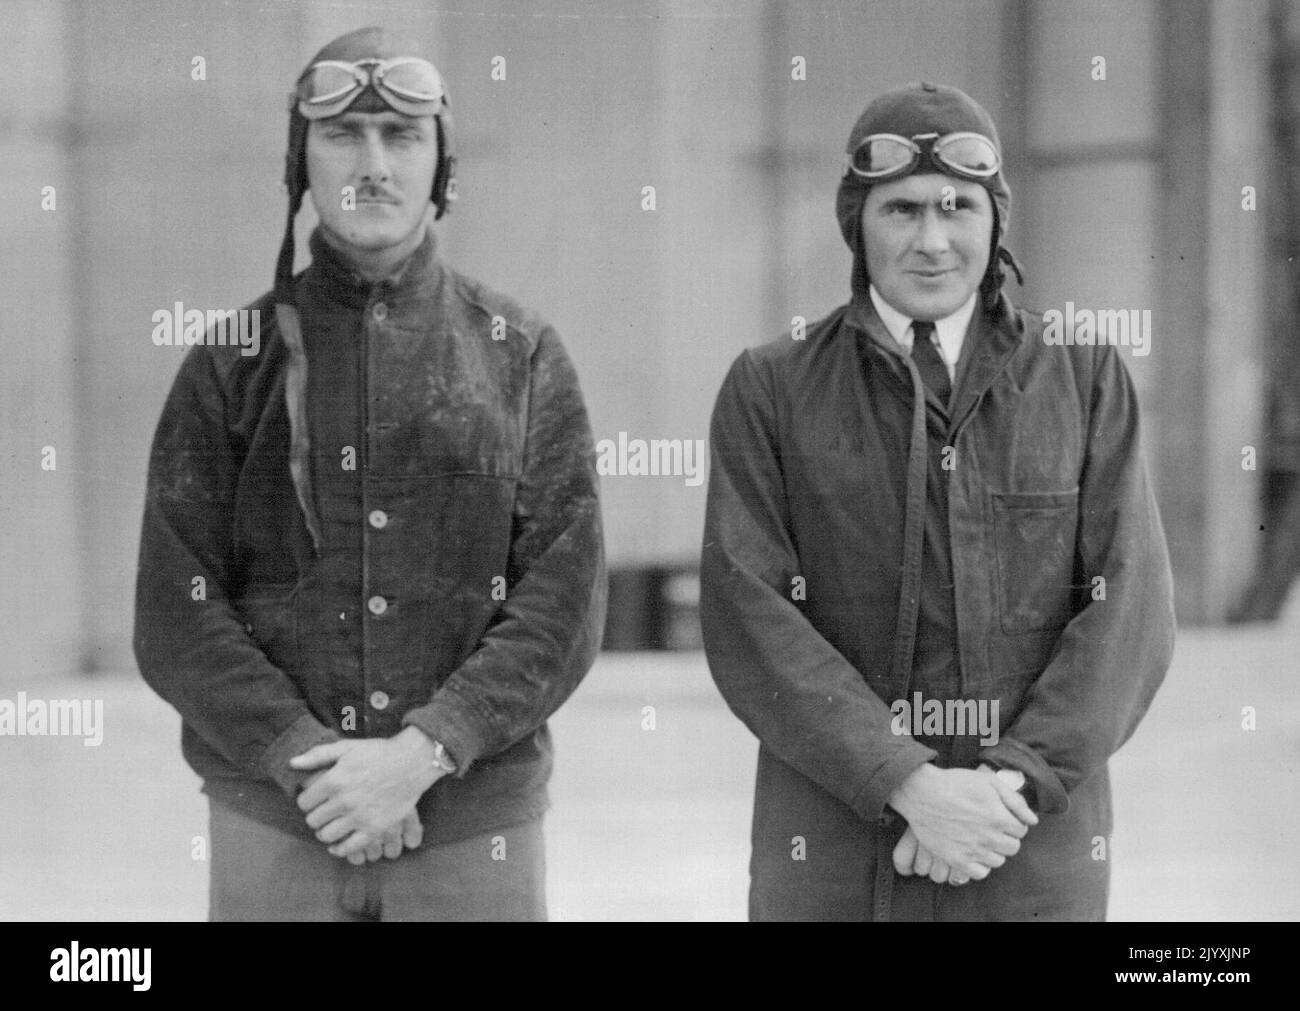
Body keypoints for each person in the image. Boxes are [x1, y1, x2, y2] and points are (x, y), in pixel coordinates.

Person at [133, 25, 606, 921]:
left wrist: (424, 750)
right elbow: (175, 605)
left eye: (401, 134)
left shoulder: (521, 353)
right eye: (343, 134)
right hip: (278, 818)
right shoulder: (229, 361)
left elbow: (563, 598)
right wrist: (305, 758)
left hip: (471, 825)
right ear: (298, 163)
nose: (374, 163)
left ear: (442, 166)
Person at [700, 81, 1174, 921]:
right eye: (902, 210)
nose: (932, 240)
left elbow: (1129, 608)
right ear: (857, 222)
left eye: (958, 208)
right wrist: (905, 782)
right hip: (836, 851)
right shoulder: (770, 387)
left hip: (1025, 848)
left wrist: (1012, 783)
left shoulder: (1084, 375)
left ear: (995, 223)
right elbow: (751, 613)